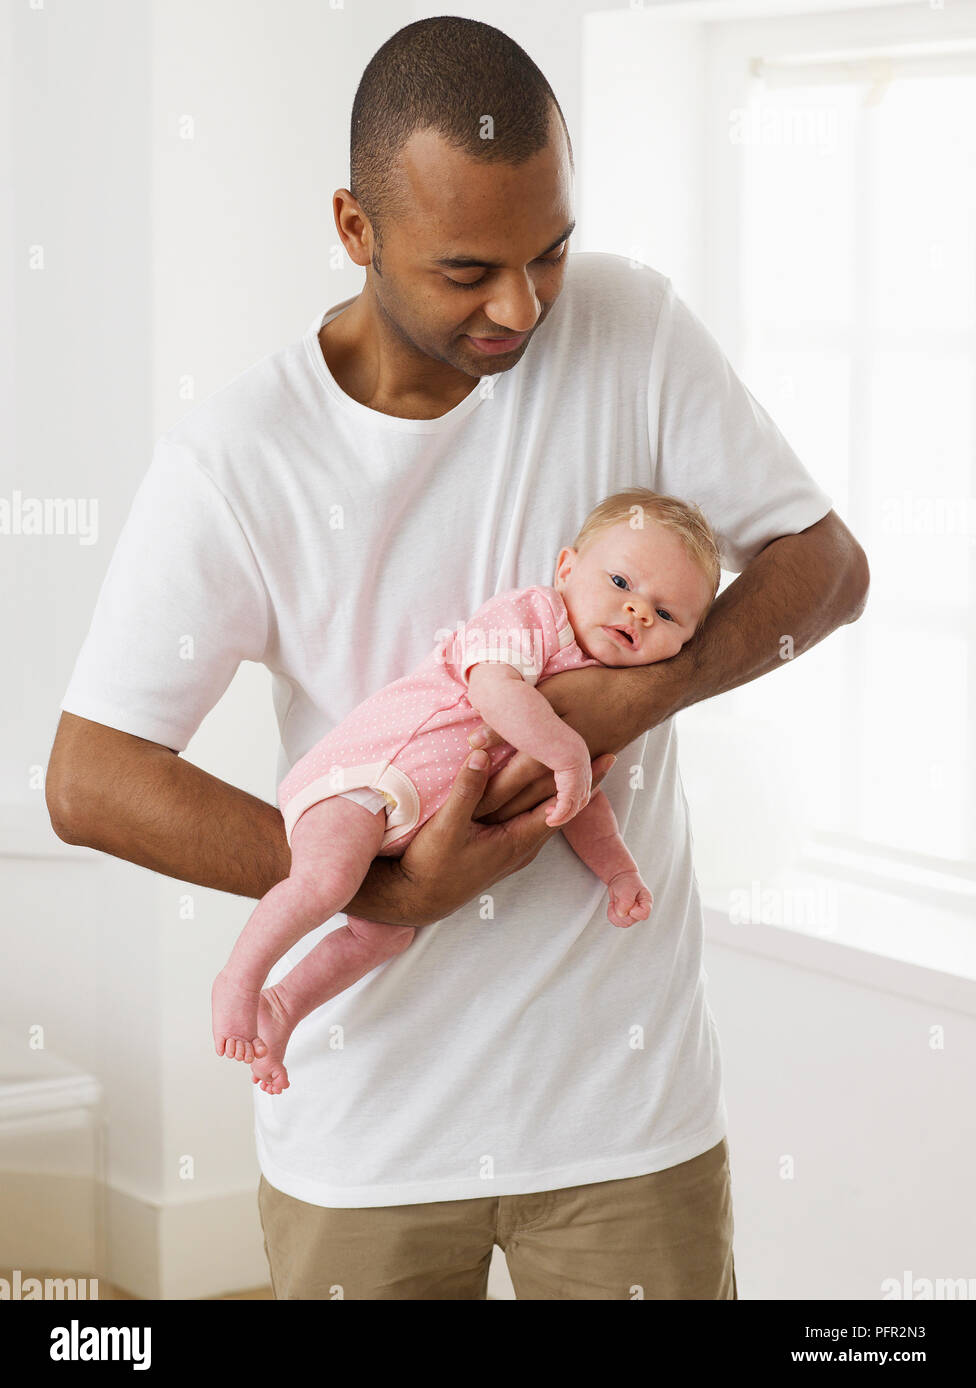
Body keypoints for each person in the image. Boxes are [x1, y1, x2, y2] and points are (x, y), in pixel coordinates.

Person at [47, 16, 869, 1300]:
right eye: (470, 268)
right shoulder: (237, 458)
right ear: (355, 227)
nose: (524, 305)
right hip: (364, 1141)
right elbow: (88, 778)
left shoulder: (634, 327)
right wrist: (372, 886)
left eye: (552, 251)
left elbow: (826, 567)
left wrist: (624, 696)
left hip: (625, 1120)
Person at [212, 490, 721, 1096]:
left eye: (667, 616)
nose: (638, 611)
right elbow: (494, 690)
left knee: (386, 933)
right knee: (325, 883)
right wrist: (568, 754)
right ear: (566, 568)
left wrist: (618, 871)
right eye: (620, 581)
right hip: (366, 781)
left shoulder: (601, 692)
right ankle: (239, 981)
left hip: (401, 826)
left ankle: (283, 1006)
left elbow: (572, 798)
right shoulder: (534, 617)